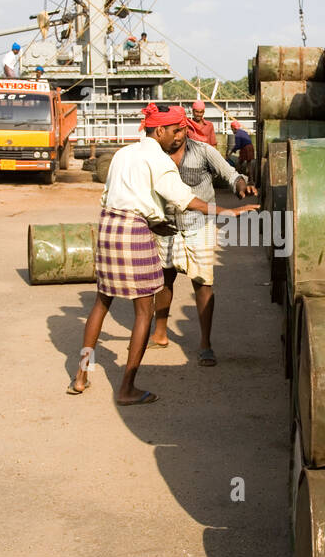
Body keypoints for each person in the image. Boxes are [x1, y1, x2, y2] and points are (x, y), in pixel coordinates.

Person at [69, 104, 259, 405]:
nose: (182, 134)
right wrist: (224, 210)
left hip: (108, 226)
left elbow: (110, 196)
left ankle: (81, 374)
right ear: (159, 130)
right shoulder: (159, 159)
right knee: (143, 311)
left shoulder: (123, 154)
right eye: (177, 130)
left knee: (101, 302)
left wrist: (155, 218)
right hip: (135, 231)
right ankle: (127, 388)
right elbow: (183, 198)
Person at [149, 109, 256, 366]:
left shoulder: (203, 151)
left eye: (180, 130)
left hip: (200, 225)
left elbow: (230, 173)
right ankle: (160, 332)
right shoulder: (155, 155)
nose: (176, 137)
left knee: (202, 282)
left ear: (187, 128)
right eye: (171, 131)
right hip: (166, 225)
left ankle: (205, 343)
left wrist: (241, 186)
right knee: (165, 279)